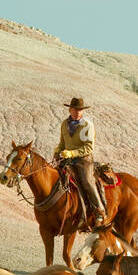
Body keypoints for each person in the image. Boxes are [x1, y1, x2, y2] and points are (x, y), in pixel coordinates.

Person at [53, 96, 105, 227]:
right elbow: (62, 142)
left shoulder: (87, 125)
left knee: (87, 181)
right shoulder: (64, 124)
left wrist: (72, 153)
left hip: (84, 160)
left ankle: (99, 211)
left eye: (80, 110)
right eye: (76, 110)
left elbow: (89, 147)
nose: (78, 112)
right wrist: (58, 150)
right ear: (70, 110)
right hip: (68, 159)